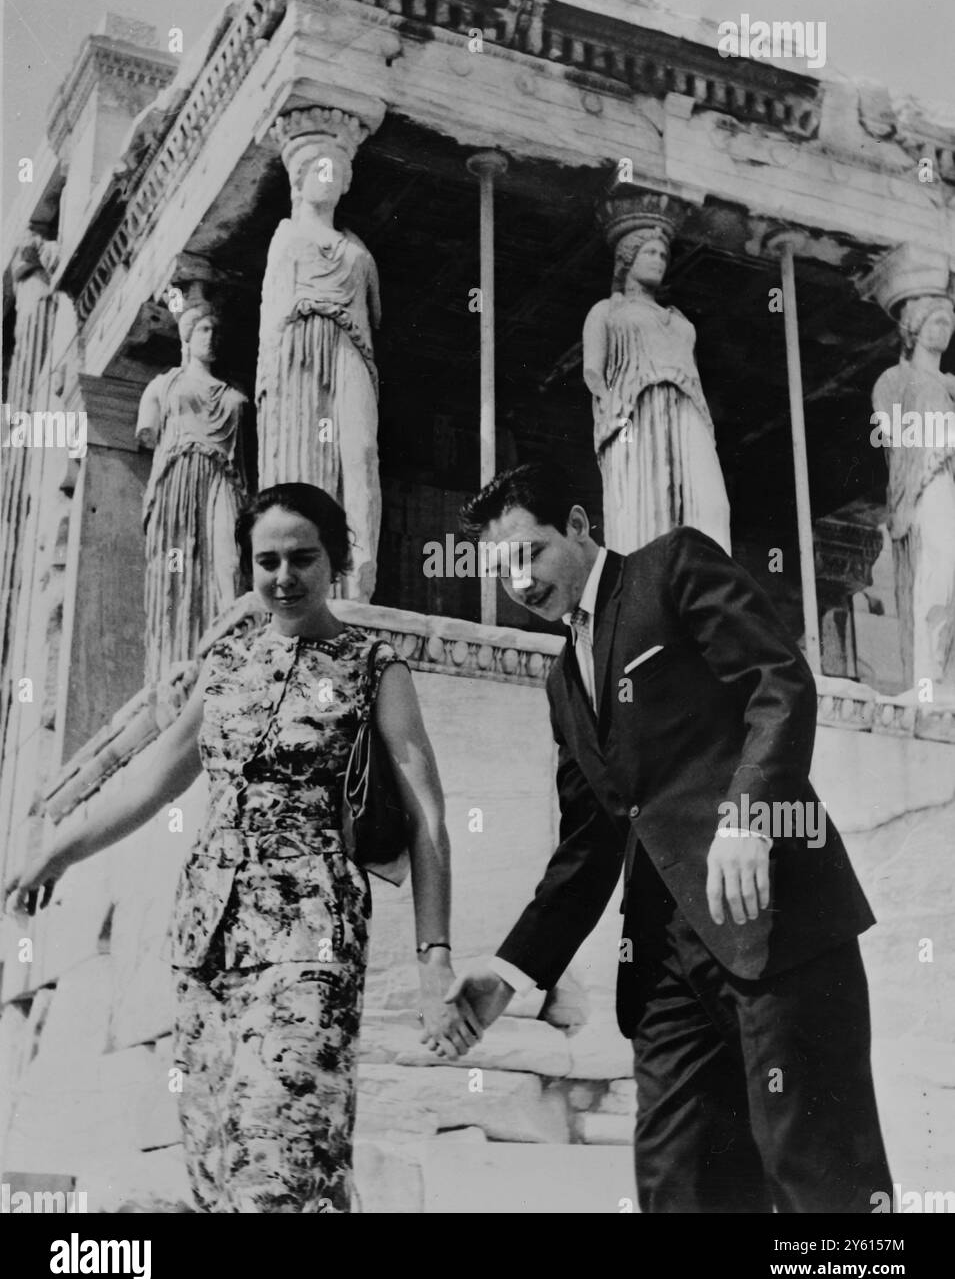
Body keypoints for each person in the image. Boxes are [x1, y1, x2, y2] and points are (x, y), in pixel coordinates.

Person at [6, 483, 478, 1213]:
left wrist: (434, 957)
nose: (284, 577)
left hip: (310, 943)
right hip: (208, 942)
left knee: (285, 1154)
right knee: (219, 1156)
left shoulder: (372, 667)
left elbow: (427, 819)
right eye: (267, 562)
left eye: (303, 558)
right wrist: (58, 852)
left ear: (338, 559)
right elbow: (150, 784)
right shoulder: (226, 666)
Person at [449, 462, 891, 1214]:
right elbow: (588, 844)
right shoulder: (563, 682)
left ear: (581, 526)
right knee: (677, 1181)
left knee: (817, 1171)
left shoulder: (671, 567)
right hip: (663, 964)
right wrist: (509, 971)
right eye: (501, 571)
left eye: (530, 554)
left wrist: (748, 817)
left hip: (773, 922)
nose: (519, 584)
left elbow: (777, 682)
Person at [256, 134, 381, 602]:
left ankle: (359, 562)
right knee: (307, 455)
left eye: (335, 172)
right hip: (299, 351)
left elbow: (375, 316)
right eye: (318, 171)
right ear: (300, 180)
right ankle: (309, 568)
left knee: (361, 449)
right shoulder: (287, 237)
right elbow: (272, 314)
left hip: (349, 347)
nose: (326, 179)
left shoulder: (357, 251)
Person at [582, 221, 731, 556]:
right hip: (634, 411)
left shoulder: (677, 317)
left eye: (663, 254)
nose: (659, 260)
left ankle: (710, 579)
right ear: (627, 260)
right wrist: (614, 415)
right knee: (648, 502)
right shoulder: (608, 310)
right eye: (650, 252)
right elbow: (593, 371)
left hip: (688, 408)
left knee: (711, 506)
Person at [136, 300, 247, 685]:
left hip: (223, 476)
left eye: (217, 331)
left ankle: (231, 654)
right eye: (203, 329)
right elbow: (148, 433)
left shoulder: (235, 394)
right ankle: (177, 659)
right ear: (187, 336)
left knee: (228, 561)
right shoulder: (163, 386)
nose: (211, 338)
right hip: (179, 480)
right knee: (178, 568)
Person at [871, 294, 955, 692]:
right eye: (935, 321)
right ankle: (927, 675)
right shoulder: (896, 379)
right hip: (926, 482)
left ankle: (945, 672)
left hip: (949, 478)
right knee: (939, 568)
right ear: (915, 329)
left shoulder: (952, 386)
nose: (944, 328)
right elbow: (890, 435)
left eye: (949, 321)